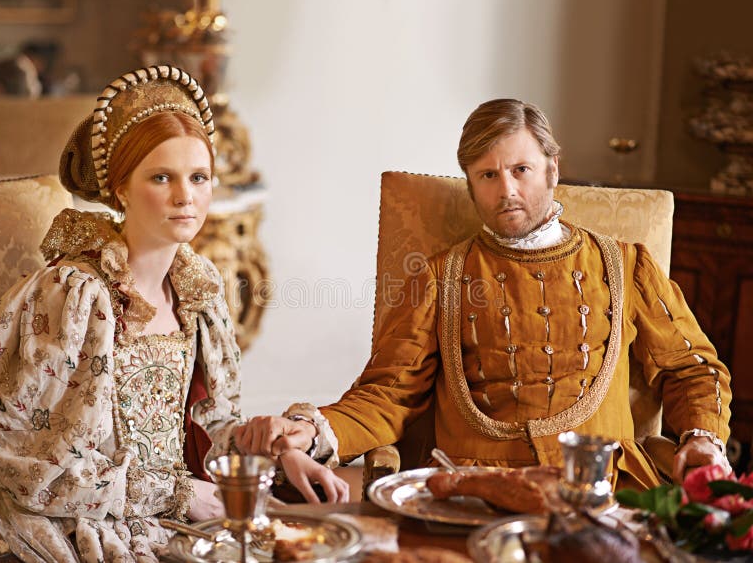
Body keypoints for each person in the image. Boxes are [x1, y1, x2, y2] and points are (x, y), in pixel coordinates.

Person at [0, 65, 347, 563]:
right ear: (120, 189)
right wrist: (178, 496)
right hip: (78, 517)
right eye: (161, 177)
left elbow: (211, 426)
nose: (186, 196)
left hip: (169, 513)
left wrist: (280, 453)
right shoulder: (73, 295)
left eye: (198, 177)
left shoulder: (197, 290)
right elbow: (27, 462)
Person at [234, 98, 732, 490]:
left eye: (521, 170)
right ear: (471, 184)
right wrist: (314, 429)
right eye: (488, 175)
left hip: (602, 487)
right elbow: (387, 395)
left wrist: (701, 438)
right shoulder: (438, 278)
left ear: (552, 169)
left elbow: (692, 368)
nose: (506, 191)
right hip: (473, 493)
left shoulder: (625, 263)